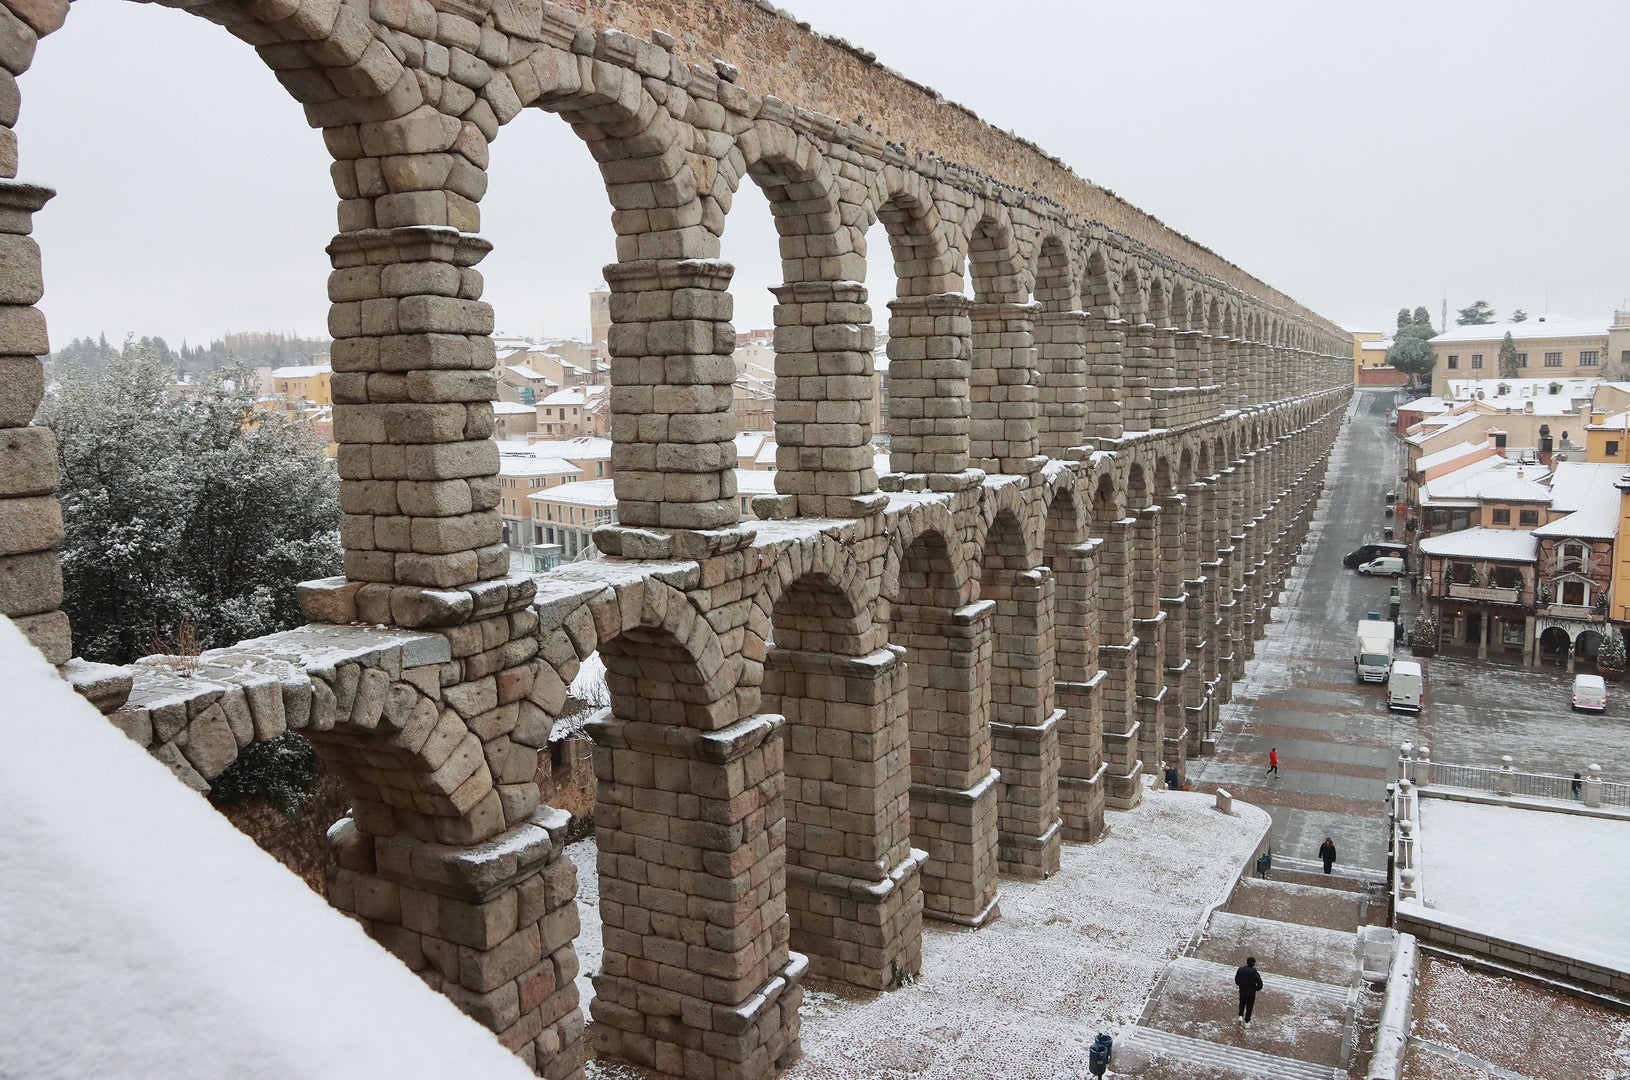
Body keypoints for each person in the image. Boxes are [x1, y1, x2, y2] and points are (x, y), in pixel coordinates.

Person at [1235, 956, 1264, 1024]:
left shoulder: (1240, 970)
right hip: (1251, 993)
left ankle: (1241, 1015)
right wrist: (1255, 988)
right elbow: (1260, 984)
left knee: (1242, 1003)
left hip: (1242, 990)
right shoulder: (1255, 973)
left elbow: (1237, 980)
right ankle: (1247, 1021)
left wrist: (1241, 985)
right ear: (1253, 964)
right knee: (1249, 1006)